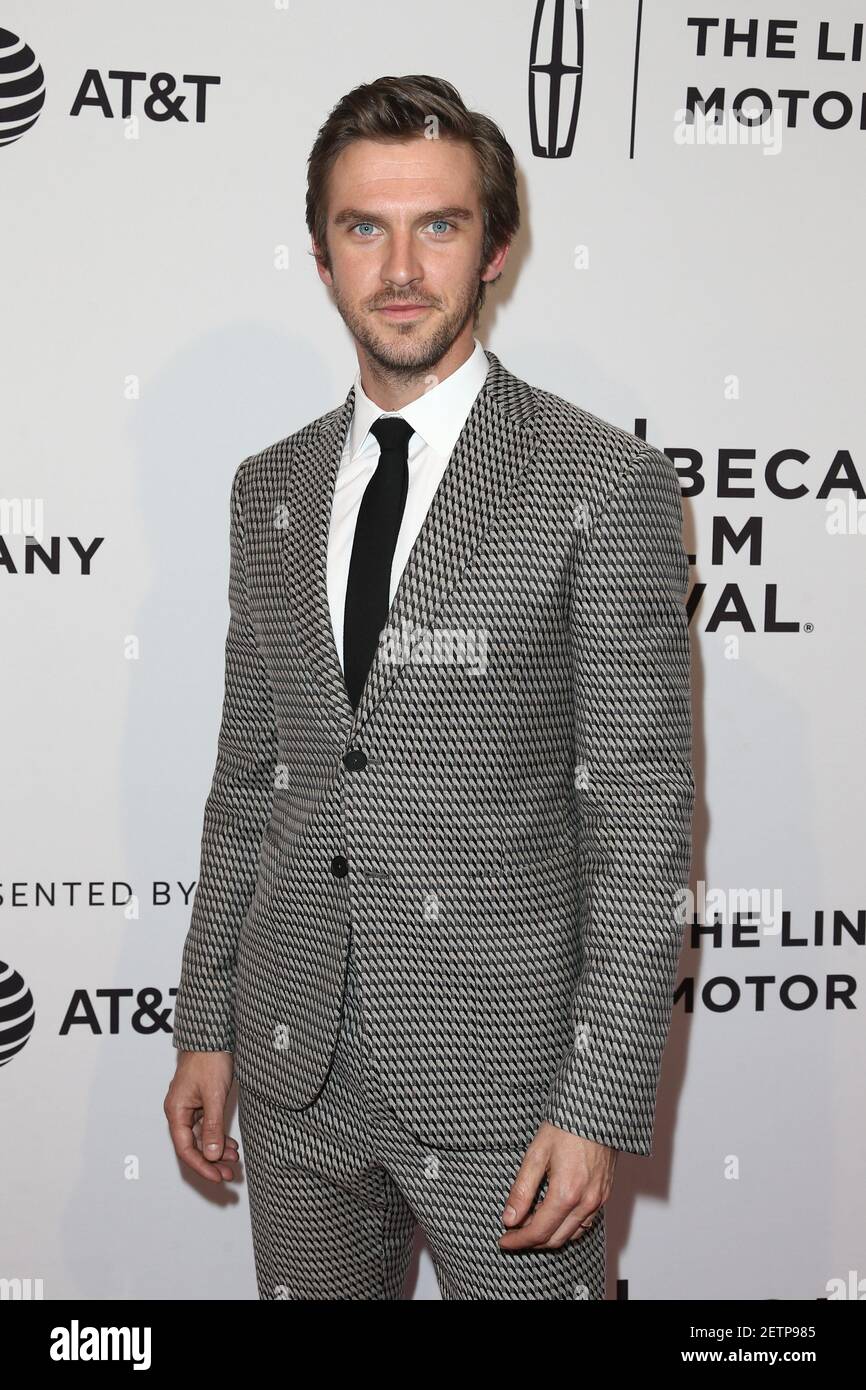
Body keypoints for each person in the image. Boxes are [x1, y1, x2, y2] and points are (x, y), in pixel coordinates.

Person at [164, 73, 695, 1301]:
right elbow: (251, 777)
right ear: (320, 253)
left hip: (509, 1092)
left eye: (438, 225)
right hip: (293, 1067)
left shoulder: (601, 483)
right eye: (364, 227)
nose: (400, 267)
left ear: (495, 248)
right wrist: (207, 1018)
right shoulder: (270, 486)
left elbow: (638, 813)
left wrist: (598, 1098)